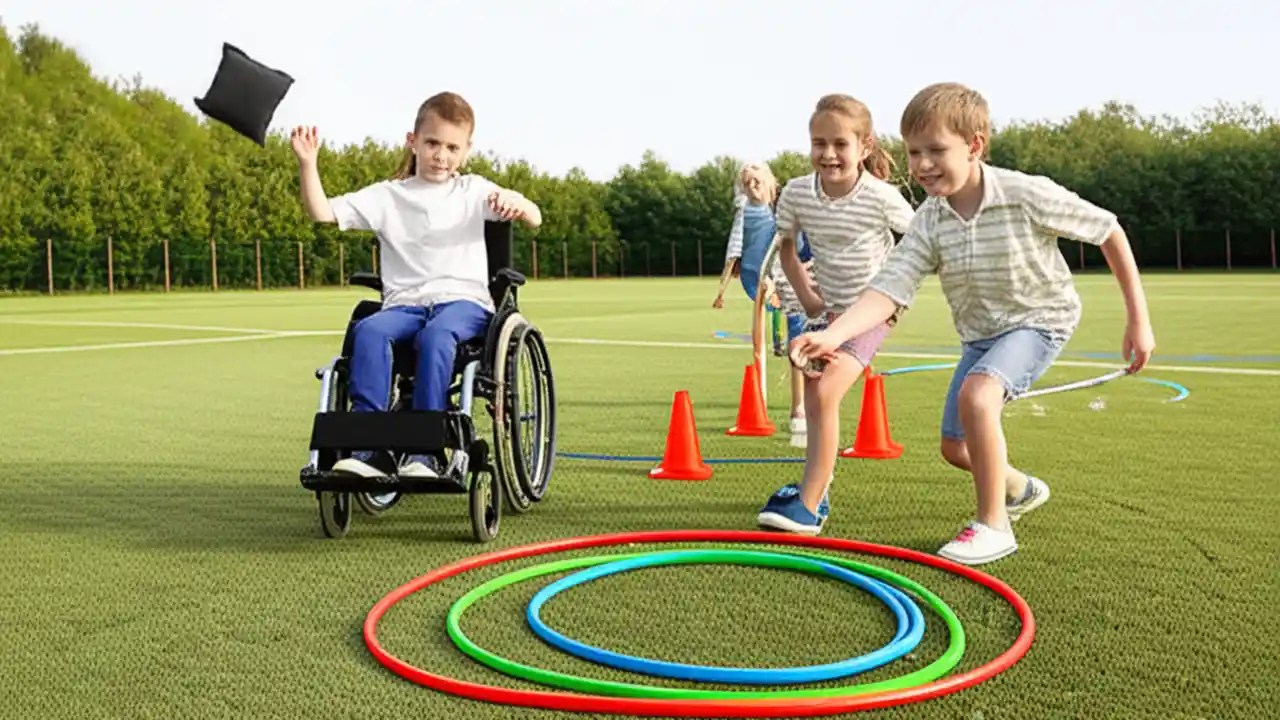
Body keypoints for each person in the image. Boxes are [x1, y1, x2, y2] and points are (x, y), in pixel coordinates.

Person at [790, 82, 1155, 565]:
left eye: (936, 150)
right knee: (956, 446)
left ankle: (994, 525)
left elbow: (1108, 229)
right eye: (914, 152)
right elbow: (888, 288)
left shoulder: (1025, 193)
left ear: (975, 145)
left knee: (978, 396)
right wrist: (832, 334)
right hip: (981, 334)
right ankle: (1021, 489)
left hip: (1040, 319)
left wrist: (1139, 320)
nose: (921, 165)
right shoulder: (930, 219)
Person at [290, 91, 543, 480]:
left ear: (466, 151)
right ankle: (369, 452)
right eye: (432, 143)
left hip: (463, 303)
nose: (441, 155)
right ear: (413, 141)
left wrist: (517, 203)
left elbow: (535, 217)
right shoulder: (388, 197)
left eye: (451, 147)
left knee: (437, 336)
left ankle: (425, 453)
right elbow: (322, 211)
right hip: (404, 306)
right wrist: (308, 163)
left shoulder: (473, 191)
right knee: (370, 330)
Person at [754, 94, 916, 535]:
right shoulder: (797, 193)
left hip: (873, 308)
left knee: (825, 392)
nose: (828, 154)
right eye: (818, 143)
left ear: (864, 147)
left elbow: (923, 240)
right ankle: (817, 488)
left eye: (840, 144)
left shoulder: (882, 198)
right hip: (826, 308)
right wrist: (805, 296)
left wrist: (896, 289)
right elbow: (787, 248)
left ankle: (806, 507)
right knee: (812, 391)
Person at [737, 162, 818, 447]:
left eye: (756, 180)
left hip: (804, 280)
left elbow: (806, 251)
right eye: (747, 183)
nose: (752, 186)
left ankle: (801, 409)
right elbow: (766, 256)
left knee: (802, 339)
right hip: (777, 281)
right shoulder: (761, 218)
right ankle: (796, 410)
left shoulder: (799, 211)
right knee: (793, 338)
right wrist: (769, 280)